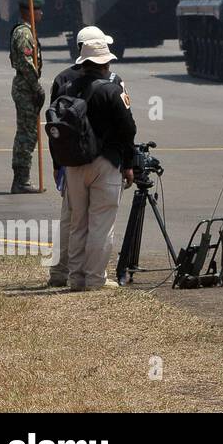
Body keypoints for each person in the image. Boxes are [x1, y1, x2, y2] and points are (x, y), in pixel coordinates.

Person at [52, 29, 137, 291]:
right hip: (105, 164)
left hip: (74, 164)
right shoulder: (111, 90)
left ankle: (76, 278)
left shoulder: (66, 86)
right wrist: (130, 163)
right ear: (105, 63)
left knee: (78, 223)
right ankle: (95, 279)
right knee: (101, 223)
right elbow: (128, 128)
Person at [44, 26, 110, 287]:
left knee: (69, 218)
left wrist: (56, 162)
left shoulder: (62, 79)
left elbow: (54, 124)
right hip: (99, 159)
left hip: (68, 157)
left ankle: (61, 272)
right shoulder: (109, 79)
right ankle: (89, 273)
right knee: (97, 221)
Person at [9, 0, 44, 194]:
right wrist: (36, 87)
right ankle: (21, 180)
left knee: (28, 133)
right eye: (38, 10)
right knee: (26, 134)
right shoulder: (24, 34)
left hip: (26, 86)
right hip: (25, 87)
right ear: (30, 11)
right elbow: (25, 63)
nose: (41, 13)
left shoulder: (28, 31)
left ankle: (22, 179)